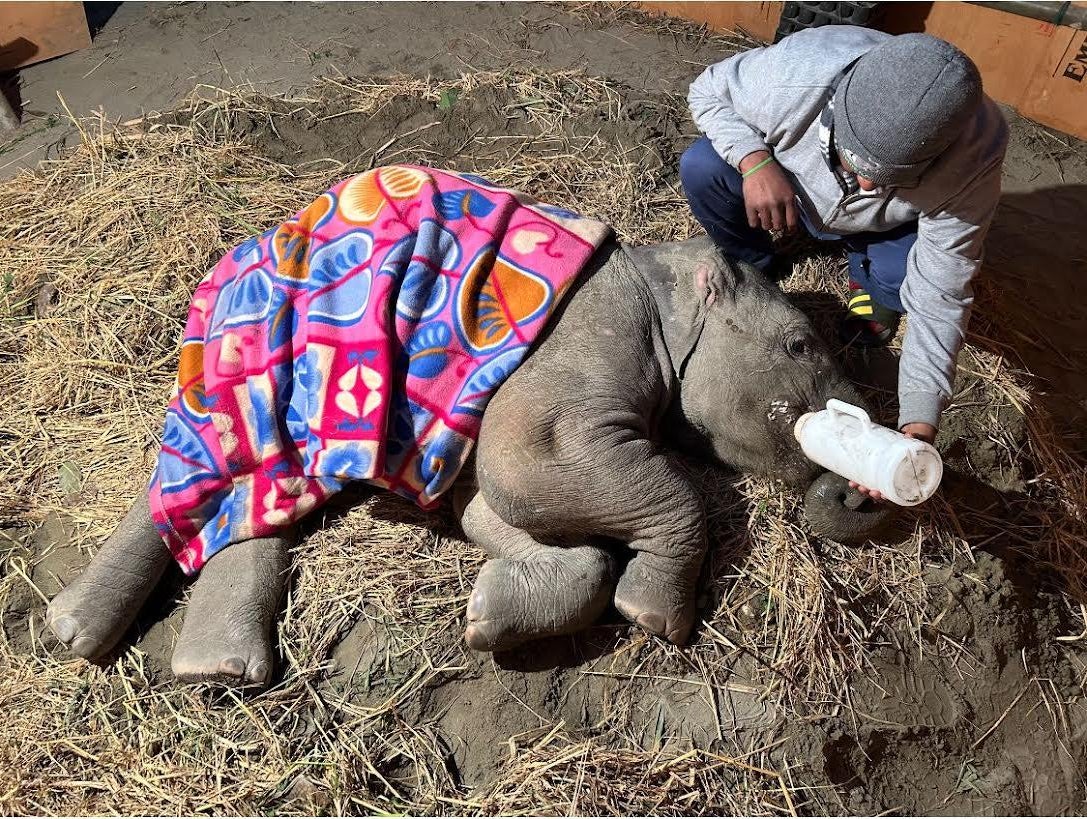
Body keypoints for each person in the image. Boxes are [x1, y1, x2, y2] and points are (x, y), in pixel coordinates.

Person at [680, 25, 1008, 496]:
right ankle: (758, 261)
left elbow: (943, 291)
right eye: (856, 167)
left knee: (903, 278)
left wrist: (918, 420)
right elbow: (707, 91)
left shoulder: (974, 156)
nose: (869, 188)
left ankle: (867, 273)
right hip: (789, 185)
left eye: (891, 178)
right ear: (831, 112)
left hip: (889, 226)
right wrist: (754, 161)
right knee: (703, 167)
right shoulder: (794, 77)